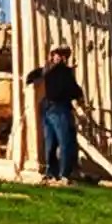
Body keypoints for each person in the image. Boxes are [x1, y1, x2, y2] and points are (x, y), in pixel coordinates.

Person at [25, 46, 83, 184]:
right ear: (53, 55)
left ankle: (61, 174)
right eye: (57, 54)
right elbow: (32, 76)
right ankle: (55, 173)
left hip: (56, 108)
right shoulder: (51, 70)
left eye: (62, 55)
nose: (59, 57)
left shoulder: (58, 71)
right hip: (52, 109)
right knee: (55, 143)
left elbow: (74, 90)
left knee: (60, 142)